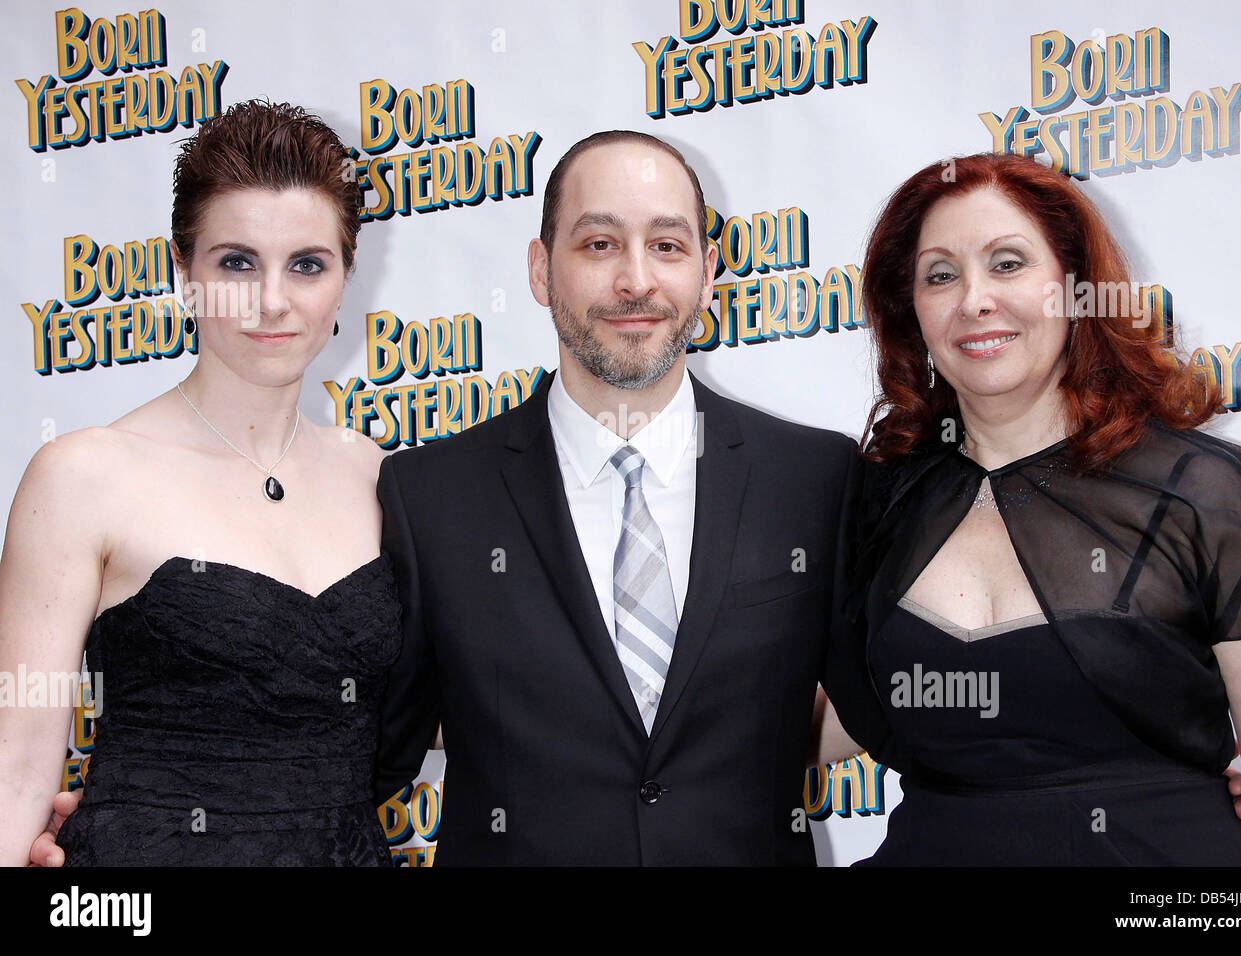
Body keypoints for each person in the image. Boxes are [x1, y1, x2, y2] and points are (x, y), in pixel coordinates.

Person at [373, 129, 884, 865]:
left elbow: (887, 711)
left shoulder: (815, 479)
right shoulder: (428, 497)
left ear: (709, 272)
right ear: (541, 270)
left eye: (668, 246)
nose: (637, 281)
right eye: (600, 244)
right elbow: (374, 743)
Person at [849, 151, 1241, 865]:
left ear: (1076, 286)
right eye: (941, 275)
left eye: (1007, 264)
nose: (974, 300)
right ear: (912, 311)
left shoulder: (1207, 492)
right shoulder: (874, 499)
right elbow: (801, 727)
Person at [0, 100, 399, 865]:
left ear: (346, 278)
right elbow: (18, 764)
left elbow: (439, 708)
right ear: (184, 268)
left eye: (307, 264)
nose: (272, 300)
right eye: (236, 262)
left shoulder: (376, 474)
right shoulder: (83, 475)